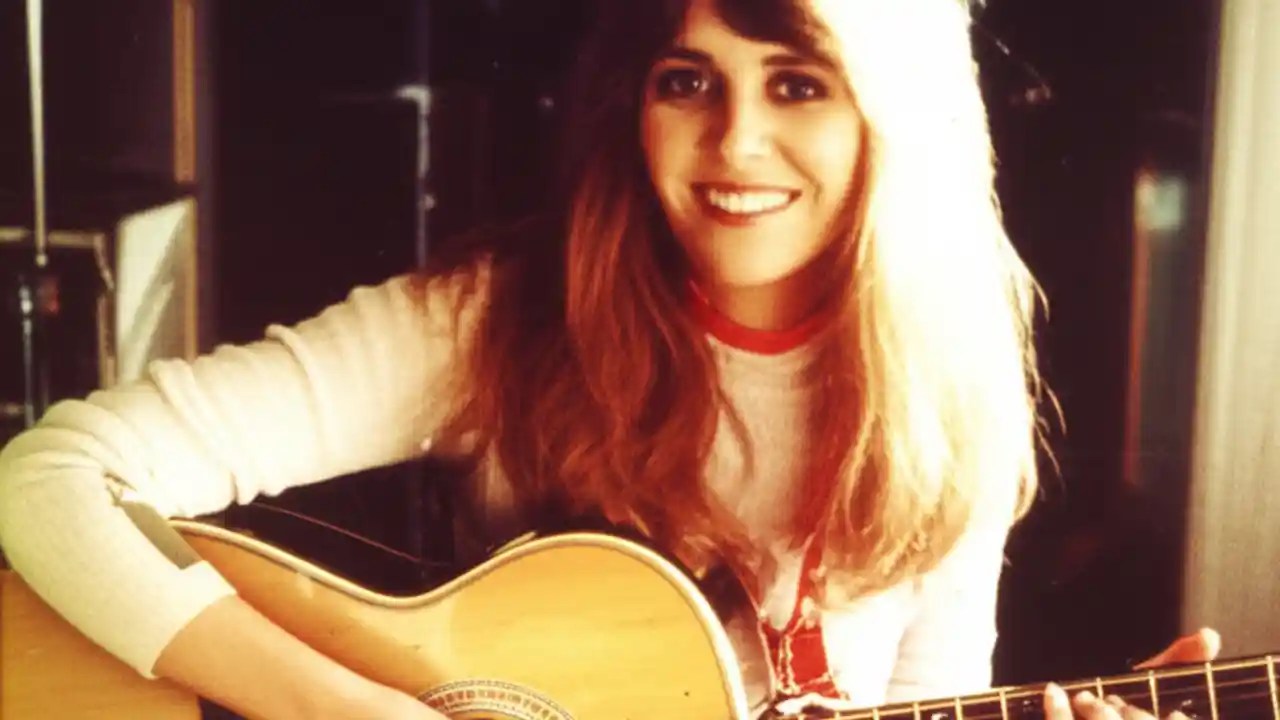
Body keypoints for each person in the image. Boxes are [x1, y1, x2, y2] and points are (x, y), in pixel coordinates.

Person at [0, 0, 1218, 718]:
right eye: (684, 81)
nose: (732, 142)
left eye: (796, 84)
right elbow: (46, 480)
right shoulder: (492, 322)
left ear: (890, 118)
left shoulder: (959, 399)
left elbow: (933, 691)